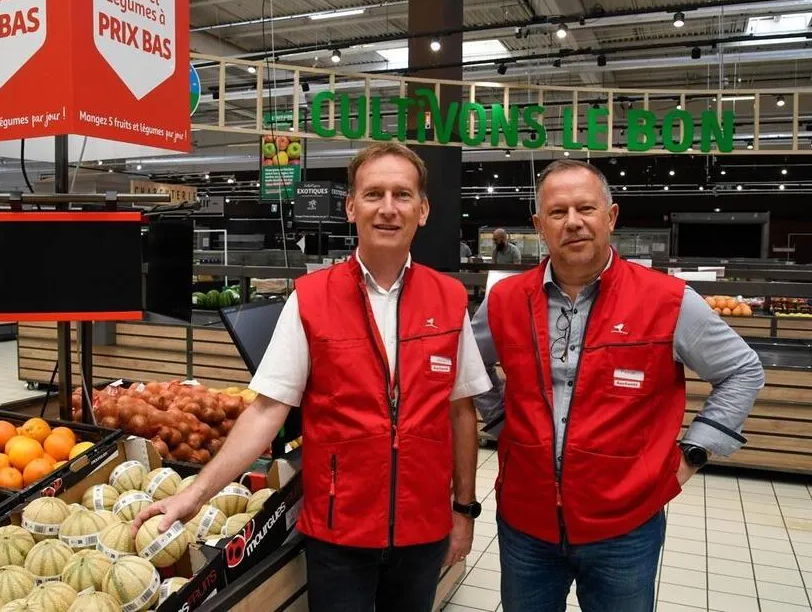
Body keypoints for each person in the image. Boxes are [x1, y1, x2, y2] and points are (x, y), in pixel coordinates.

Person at [133, 143, 494, 612]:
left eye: (402, 195)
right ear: (350, 207)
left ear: (422, 210)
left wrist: (463, 511)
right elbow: (266, 410)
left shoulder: (448, 299)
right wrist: (195, 494)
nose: (388, 208)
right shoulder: (311, 298)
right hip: (338, 529)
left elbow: (461, 412)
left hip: (422, 528)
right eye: (373, 194)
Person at [471, 159, 764, 612]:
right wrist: (499, 417)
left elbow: (742, 370)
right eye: (557, 212)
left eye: (586, 208)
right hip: (526, 523)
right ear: (539, 225)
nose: (573, 222)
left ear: (610, 217)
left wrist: (695, 451)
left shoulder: (666, 300)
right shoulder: (505, 300)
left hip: (625, 529)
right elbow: (469, 364)